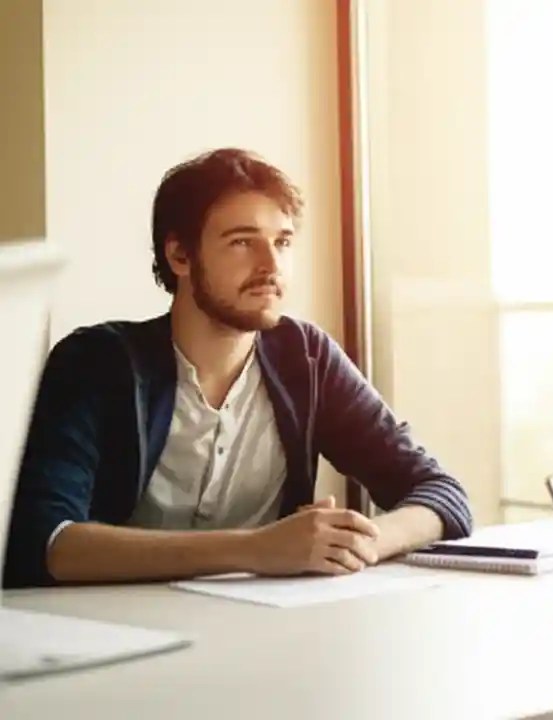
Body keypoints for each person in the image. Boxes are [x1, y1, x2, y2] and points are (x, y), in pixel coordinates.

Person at [4, 148, 473, 589]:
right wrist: (254, 549)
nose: (271, 265)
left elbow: (441, 495)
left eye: (282, 242)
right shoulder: (95, 362)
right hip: (111, 636)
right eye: (242, 242)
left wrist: (352, 543)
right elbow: (43, 541)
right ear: (180, 256)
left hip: (260, 630)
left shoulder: (306, 357)